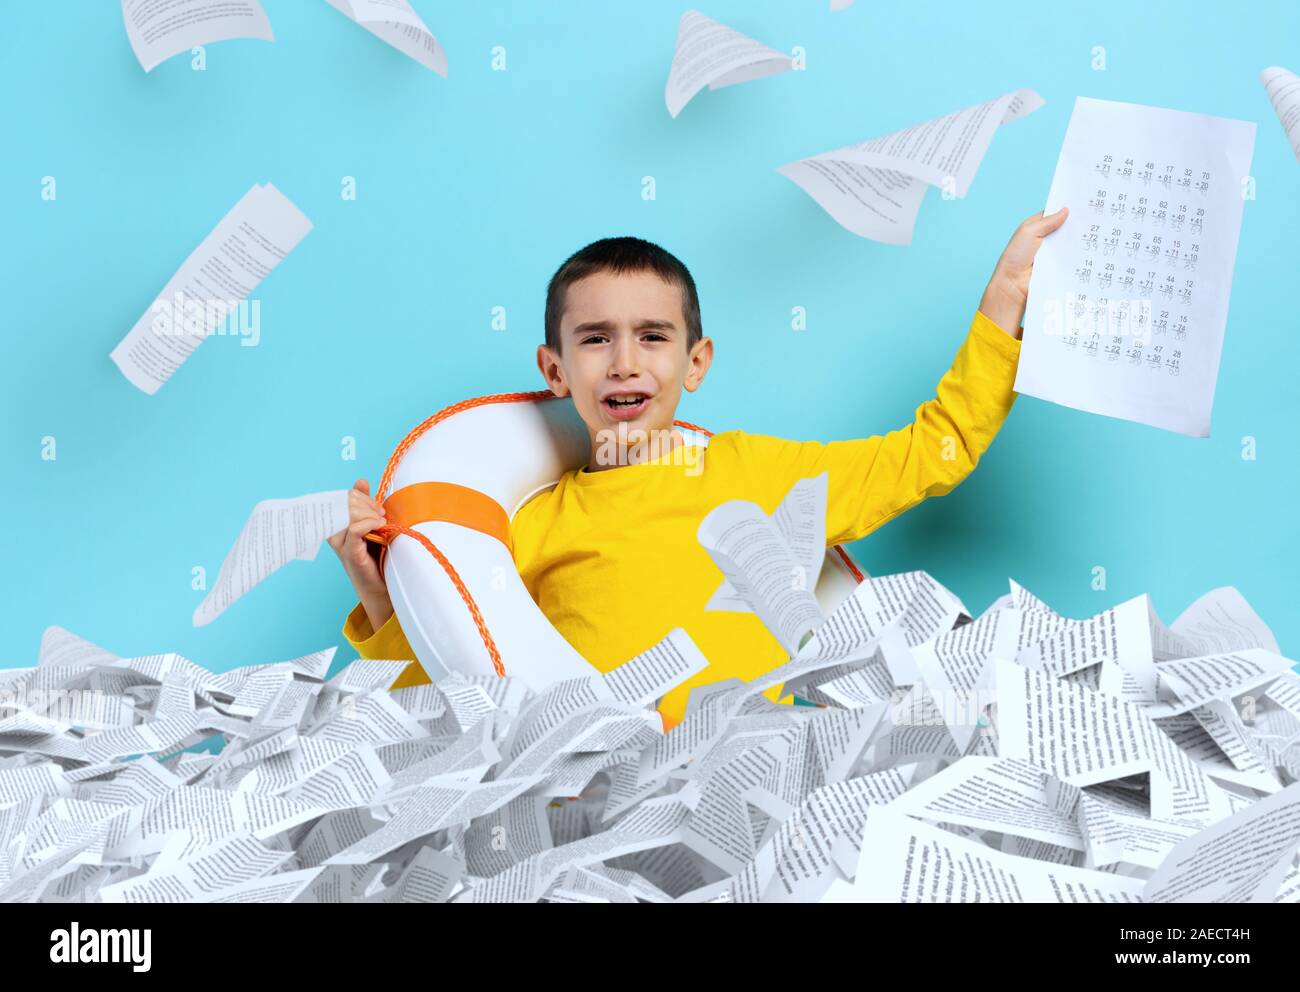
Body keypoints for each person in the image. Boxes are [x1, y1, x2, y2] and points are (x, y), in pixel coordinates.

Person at [328, 208, 1069, 731]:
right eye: (595, 340)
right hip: (607, 798)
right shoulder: (532, 526)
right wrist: (385, 600)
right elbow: (466, 679)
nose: (625, 362)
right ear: (554, 370)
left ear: (696, 363)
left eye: (653, 336)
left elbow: (928, 453)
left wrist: (1001, 307)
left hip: (759, 778)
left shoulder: (751, 469)